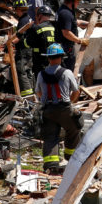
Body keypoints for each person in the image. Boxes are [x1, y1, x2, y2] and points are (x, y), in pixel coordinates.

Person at [35, 43, 82, 173]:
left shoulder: (41, 74)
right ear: (61, 57)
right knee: (74, 128)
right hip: (64, 108)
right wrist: (70, 102)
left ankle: (51, 165)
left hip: (47, 110)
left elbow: (38, 92)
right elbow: (76, 92)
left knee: (50, 136)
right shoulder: (67, 73)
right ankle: (71, 156)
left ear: (48, 58)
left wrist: (45, 100)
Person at [9, 0, 37, 97]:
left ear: (19, 9)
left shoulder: (23, 20)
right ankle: (31, 93)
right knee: (28, 71)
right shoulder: (28, 18)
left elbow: (20, 36)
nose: (15, 12)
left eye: (16, 9)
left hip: (23, 50)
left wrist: (10, 44)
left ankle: (26, 95)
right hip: (29, 49)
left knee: (21, 70)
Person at [56, 0, 83, 72]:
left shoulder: (66, 11)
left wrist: (91, 24)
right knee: (68, 71)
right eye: (77, 1)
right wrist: (79, 41)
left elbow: (75, 22)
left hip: (65, 47)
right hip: (66, 48)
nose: (78, 3)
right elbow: (66, 33)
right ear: (73, 1)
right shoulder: (66, 13)